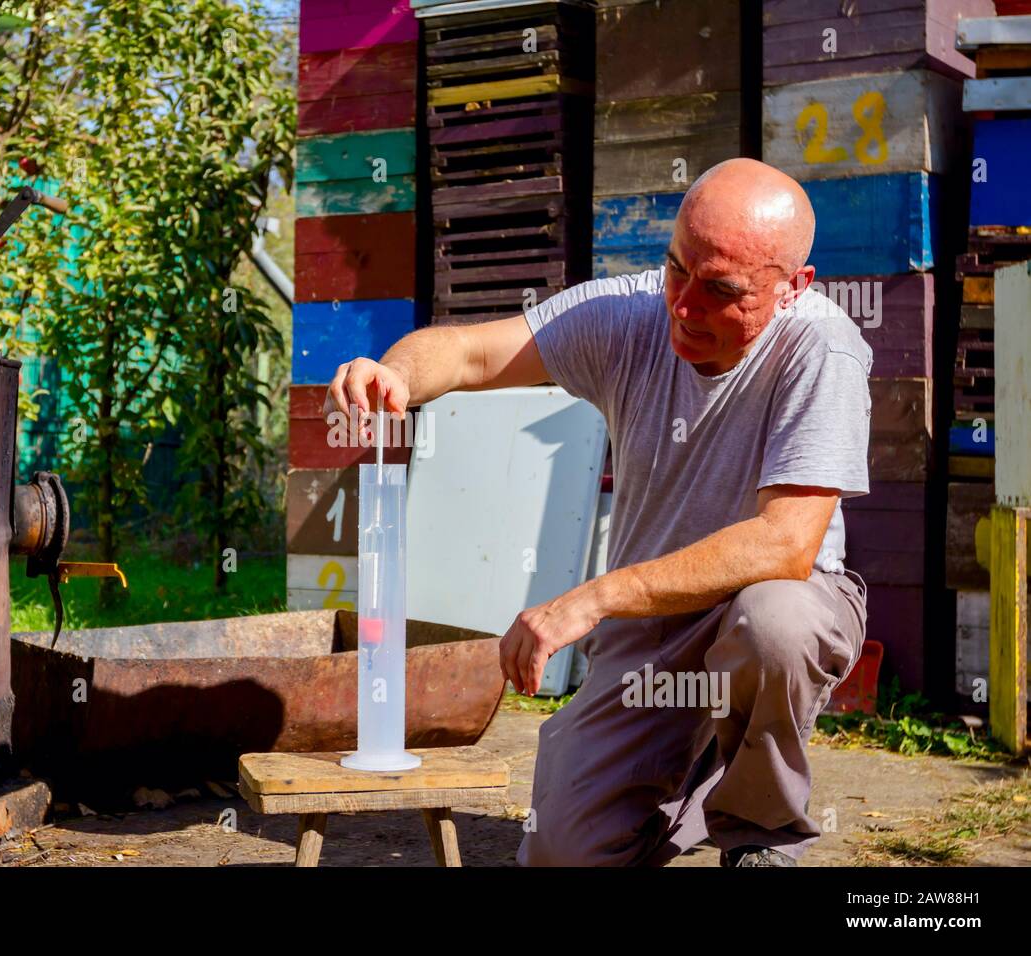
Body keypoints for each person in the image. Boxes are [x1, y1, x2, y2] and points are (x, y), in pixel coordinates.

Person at [322, 158, 873, 867]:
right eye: (677, 269)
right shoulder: (629, 314)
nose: (683, 306)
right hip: (653, 625)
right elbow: (467, 353)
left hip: (782, 600)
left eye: (720, 290)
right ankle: (697, 783)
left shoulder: (821, 349)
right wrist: (396, 373)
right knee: (563, 854)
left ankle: (761, 835)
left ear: (794, 287)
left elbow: (785, 546)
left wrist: (594, 598)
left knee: (773, 625)